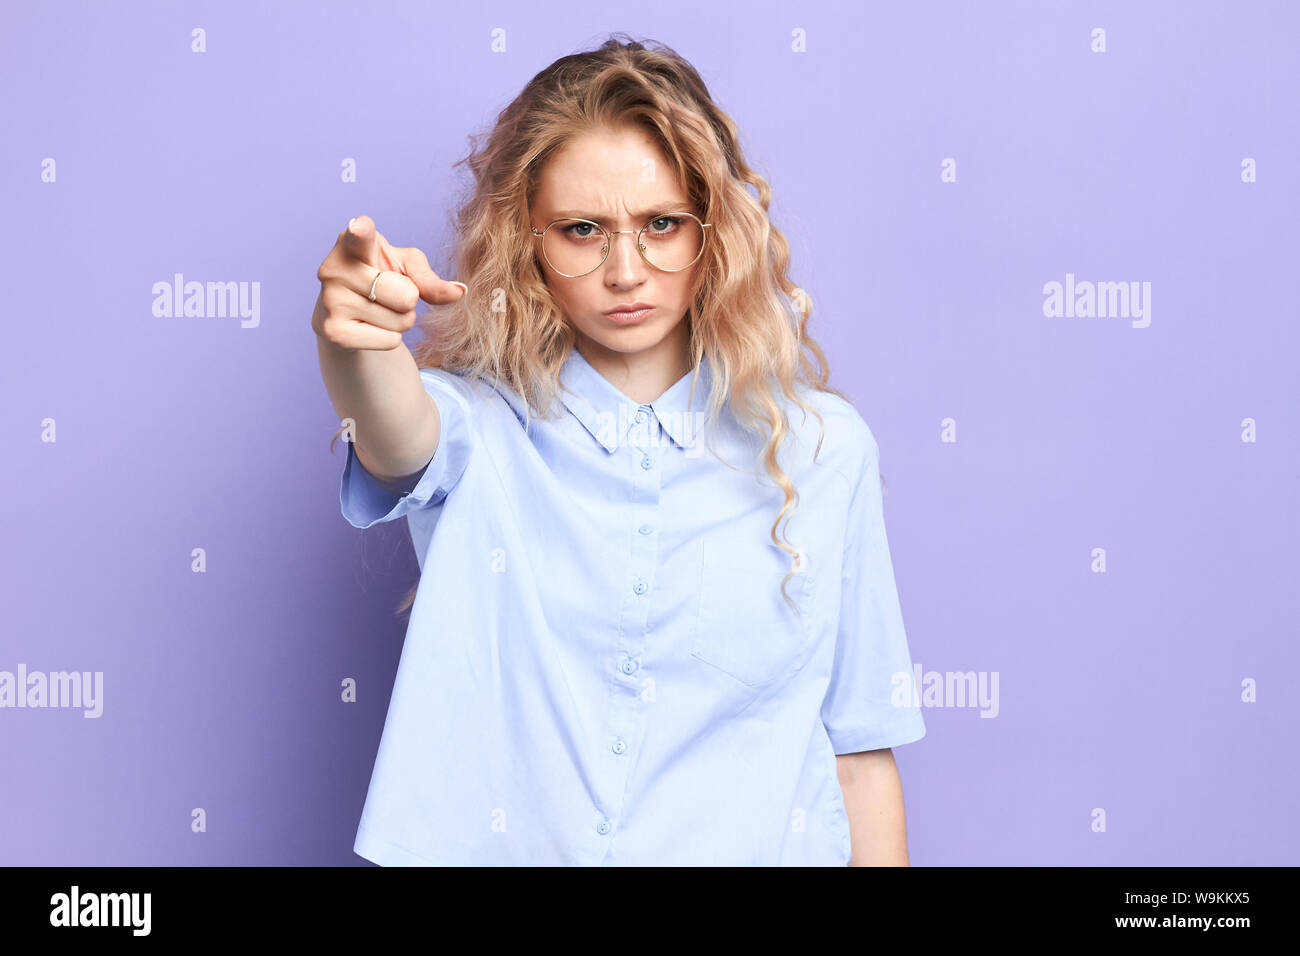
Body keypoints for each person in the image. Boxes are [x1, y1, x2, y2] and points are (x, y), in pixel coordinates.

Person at [312, 35, 925, 866]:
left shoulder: (824, 448)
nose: (626, 270)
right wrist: (358, 340)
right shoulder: (478, 430)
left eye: (662, 224)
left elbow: (858, 749)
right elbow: (394, 432)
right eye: (581, 230)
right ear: (528, 241)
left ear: (713, 231)